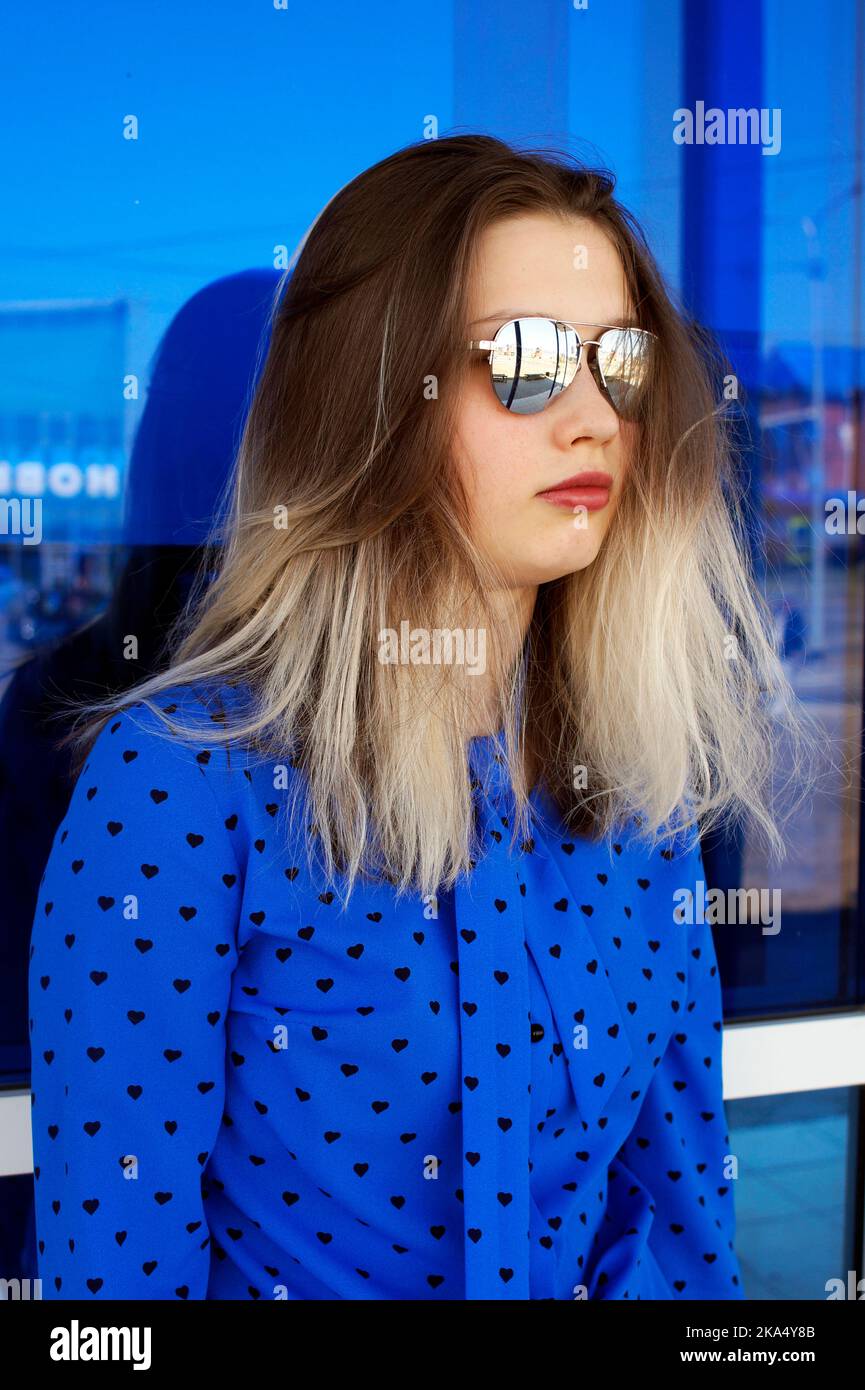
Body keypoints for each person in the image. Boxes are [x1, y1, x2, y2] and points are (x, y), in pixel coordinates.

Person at [28, 134, 817, 1300]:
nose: (595, 416)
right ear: (373, 395)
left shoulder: (640, 782)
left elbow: (682, 1229)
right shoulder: (184, 786)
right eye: (527, 361)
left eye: (623, 362)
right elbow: (116, 1304)